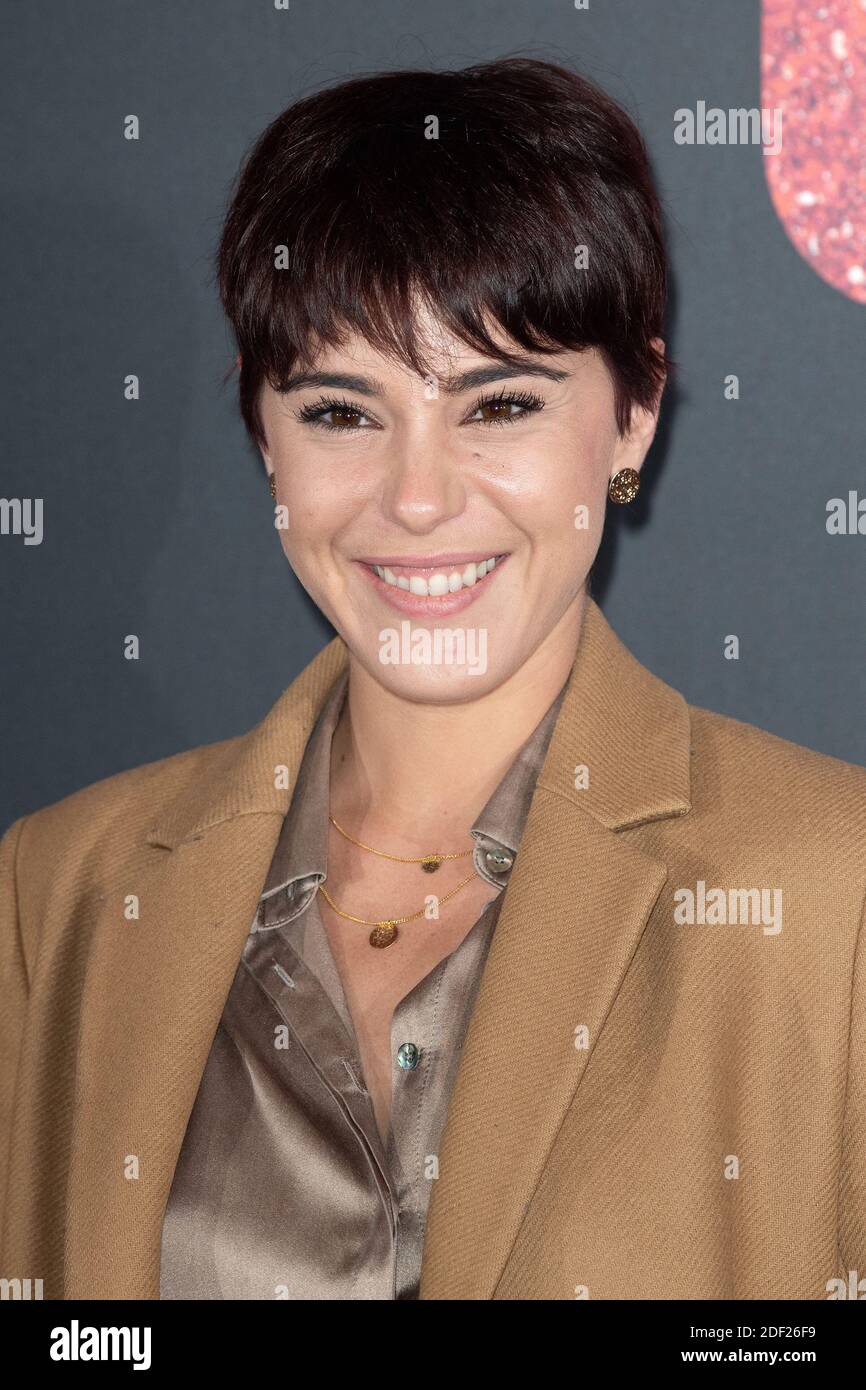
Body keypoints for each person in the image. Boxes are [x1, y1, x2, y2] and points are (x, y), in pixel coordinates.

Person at [1, 57, 864, 1302]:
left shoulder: (831, 893)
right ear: (262, 435)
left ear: (634, 415)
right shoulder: (62, 890)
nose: (416, 499)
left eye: (497, 403)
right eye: (342, 414)